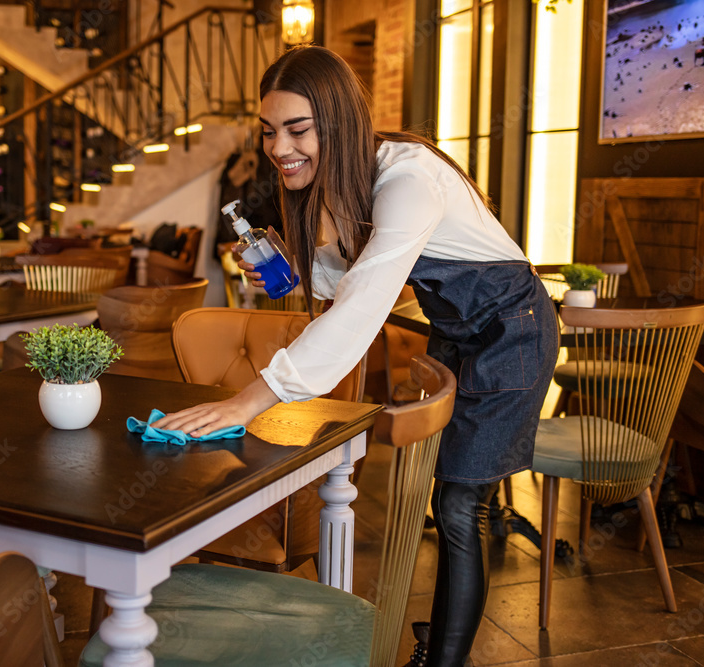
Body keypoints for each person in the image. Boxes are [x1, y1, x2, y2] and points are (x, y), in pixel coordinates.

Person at [154, 45, 559, 667]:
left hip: (514, 331)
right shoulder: (349, 180)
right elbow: (348, 275)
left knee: (458, 506)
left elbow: (361, 304)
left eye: (297, 129)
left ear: (337, 122)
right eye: (268, 132)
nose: (278, 148)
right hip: (461, 328)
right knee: (449, 500)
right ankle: (444, 641)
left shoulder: (407, 179)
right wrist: (289, 270)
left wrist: (250, 399)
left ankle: (445, 660)